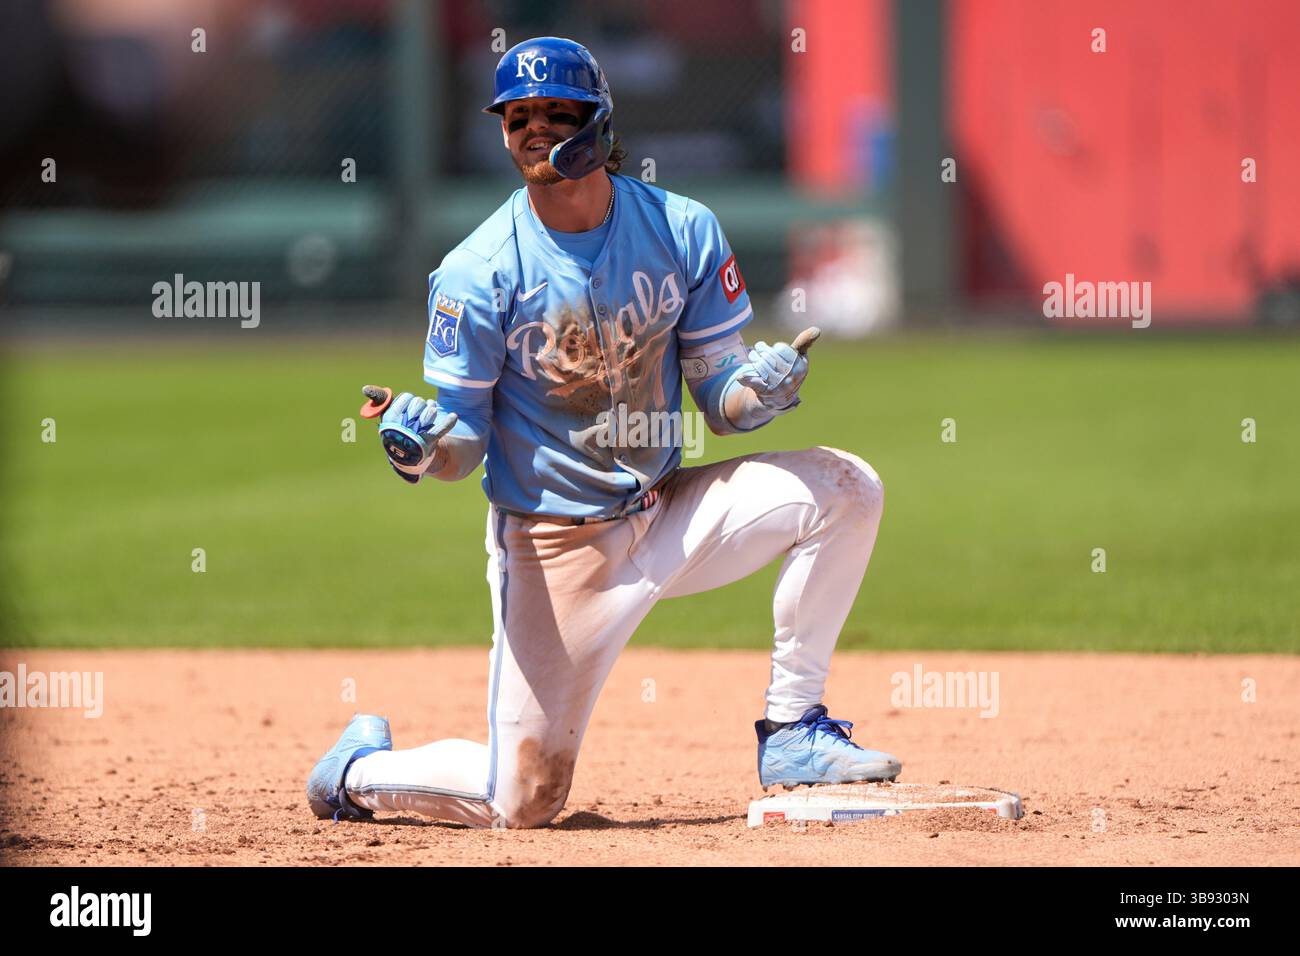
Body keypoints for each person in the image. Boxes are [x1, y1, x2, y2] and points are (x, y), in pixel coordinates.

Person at [307, 37, 901, 828]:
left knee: (847, 486)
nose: (536, 129)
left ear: (601, 123)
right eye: (519, 117)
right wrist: (420, 449)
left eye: (558, 112)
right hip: (557, 550)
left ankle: (794, 729)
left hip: (668, 508)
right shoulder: (477, 270)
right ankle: (358, 770)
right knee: (520, 804)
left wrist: (759, 393)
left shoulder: (681, 229)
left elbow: (720, 397)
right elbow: (463, 445)